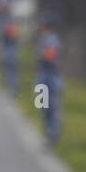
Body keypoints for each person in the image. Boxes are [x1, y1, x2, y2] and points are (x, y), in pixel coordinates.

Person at [35, 12, 62, 146]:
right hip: (44, 76)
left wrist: (43, 55)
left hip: (49, 78)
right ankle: (48, 133)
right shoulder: (45, 39)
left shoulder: (51, 40)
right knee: (43, 106)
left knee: (50, 107)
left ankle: (52, 134)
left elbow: (49, 57)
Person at [0, 17, 19, 96]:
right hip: (12, 55)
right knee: (11, 72)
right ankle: (12, 88)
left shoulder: (9, 33)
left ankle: (12, 88)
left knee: (10, 72)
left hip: (10, 55)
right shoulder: (13, 31)